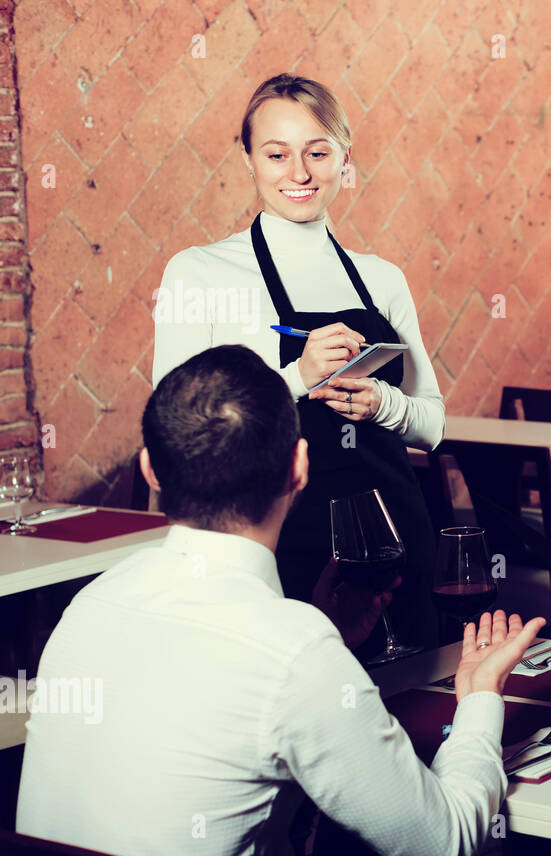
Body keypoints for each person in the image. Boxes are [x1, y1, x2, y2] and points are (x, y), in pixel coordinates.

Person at [16, 346, 543, 856]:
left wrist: (321, 634)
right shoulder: (294, 651)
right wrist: (478, 697)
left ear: (151, 469)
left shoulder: (88, 605)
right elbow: (443, 847)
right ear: (300, 466)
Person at [151, 73, 442, 659]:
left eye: (317, 152)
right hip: (280, 534)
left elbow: (432, 426)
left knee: (414, 704)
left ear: (344, 158)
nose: (299, 173)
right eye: (277, 154)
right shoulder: (200, 272)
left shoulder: (382, 277)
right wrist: (298, 379)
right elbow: (176, 434)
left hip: (395, 532)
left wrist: (381, 402)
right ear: (249, 160)